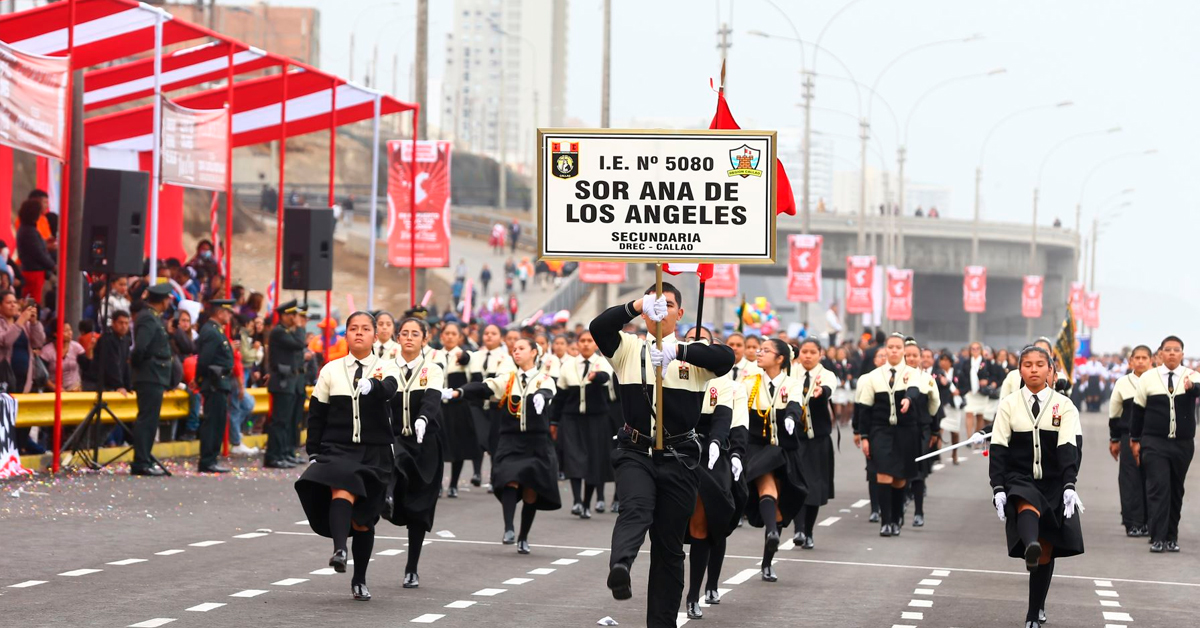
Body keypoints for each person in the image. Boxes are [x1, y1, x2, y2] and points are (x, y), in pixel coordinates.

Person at [589, 282, 734, 628]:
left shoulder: (693, 355)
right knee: (635, 507)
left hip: (679, 457)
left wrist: (679, 353)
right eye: (656, 304)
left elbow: (725, 358)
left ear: (680, 314)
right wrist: (636, 306)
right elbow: (599, 327)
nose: (661, 309)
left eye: (667, 304)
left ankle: (662, 622)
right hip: (636, 450)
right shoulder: (627, 348)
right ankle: (620, 566)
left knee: (669, 547)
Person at [295, 311, 399, 601]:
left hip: (374, 452)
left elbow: (390, 389)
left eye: (366, 329)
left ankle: (360, 579)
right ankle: (340, 550)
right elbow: (317, 413)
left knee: (364, 520)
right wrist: (313, 449)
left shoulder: (386, 366)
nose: (359, 333)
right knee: (341, 490)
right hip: (338, 448)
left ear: (375, 336)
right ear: (346, 335)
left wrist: (374, 386)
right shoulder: (330, 369)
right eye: (353, 328)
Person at [990, 344, 1084, 628]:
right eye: (1027, 364)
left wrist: (1069, 484)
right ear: (1020, 370)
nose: (1033, 369)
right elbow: (998, 448)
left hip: (1054, 481)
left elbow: (1069, 447)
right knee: (1025, 500)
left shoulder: (1064, 405)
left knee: (1046, 550)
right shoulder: (1008, 404)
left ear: (1050, 370)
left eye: (1039, 364)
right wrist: (997, 487)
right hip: (1019, 476)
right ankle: (1029, 544)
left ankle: (1035, 612)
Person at [447, 337, 561, 554]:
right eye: (514, 349)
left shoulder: (544, 378)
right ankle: (509, 528)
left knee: (531, 490)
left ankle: (523, 536)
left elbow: (548, 391)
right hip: (511, 439)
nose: (516, 352)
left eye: (521, 348)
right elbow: (483, 387)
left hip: (537, 441)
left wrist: (541, 397)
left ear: (534, 352)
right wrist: (458, 392)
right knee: (509, 478)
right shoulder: (508, 379)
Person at [683, 327, 746, 620]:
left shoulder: (724, 382)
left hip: (710, 453)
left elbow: (725, 418)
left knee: (709, 521)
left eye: (702, 341)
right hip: (677, 448)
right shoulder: (672, 370)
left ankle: (698, 591)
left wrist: (724, 447)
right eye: (690, 340)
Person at [382, 317, 445, 588]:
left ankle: (412, 567)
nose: (408, 337)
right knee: (396, 459)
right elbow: (379, 401)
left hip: (426, 443)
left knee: (420, 507)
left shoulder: (433, 369)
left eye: (414, 333)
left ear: (424, 339)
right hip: (396, 439)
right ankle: (386, 496)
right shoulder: (386, 368)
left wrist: (423, 419)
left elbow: (432, 400)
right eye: (404, 333)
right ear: (398, 338)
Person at [742, 338, 808, 581]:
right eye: (759, 350)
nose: (759, 353)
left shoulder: (792, 383)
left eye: (766, 351)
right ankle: (771, 535)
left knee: (780, 499)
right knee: (766, 484)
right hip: (756, 448)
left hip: (784, 448)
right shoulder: (749, 383)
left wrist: (791, 418)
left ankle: (768, 556)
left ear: (780, 359)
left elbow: (793, 404)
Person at [855, 333, 932, 536]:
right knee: (883, 474)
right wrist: (864, 436)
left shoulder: (912, 373)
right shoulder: (874, 376)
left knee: (899, 478)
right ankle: (886, 521)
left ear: (903, 351)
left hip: (906, 431)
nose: (895, 351)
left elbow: (914, 390)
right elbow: (865, 408)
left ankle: (897, 518)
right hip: (880, 430)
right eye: (891, 347)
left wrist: (908, 399)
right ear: (886, 349)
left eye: (898, 348)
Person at [1130, 335, 1198, 553]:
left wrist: (1193, 388)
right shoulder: (1148, 378)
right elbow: (1137, 412)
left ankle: (1171, 537)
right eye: (1167, 350)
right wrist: (1135, 440)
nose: (1171, 353)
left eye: (1176, 350)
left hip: (1182, 444)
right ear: (1159, 354)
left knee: (1176, 489)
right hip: (1154, 443)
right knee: (1159, 488)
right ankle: (1157, 537)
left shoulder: (1192, 376)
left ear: (1182, 354)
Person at [550, 330, 615, 519]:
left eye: (590, 341)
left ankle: (588, 502)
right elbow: (560, 397)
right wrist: (553, 421)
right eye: (582, 341)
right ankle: (577, 501)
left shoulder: (604, 363)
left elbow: (605, 378)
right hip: (571, 419)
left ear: (596, 344)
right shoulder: (568, 366)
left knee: (594, 461)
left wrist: (595, 377)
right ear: (577, 344)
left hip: (597, 420)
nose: (586, 344)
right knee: (574, 458)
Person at [792, 338, 838, 548]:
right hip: (795, 441)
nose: (808, 356)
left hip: (818, 440)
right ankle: (798, 529)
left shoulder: (826, 375)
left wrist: (821, 393)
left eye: (813, 352)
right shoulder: (791, 373)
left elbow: (828, 388)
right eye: (804, 351)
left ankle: (808, 531)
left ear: (820, 354)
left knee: (814, 486)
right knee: (796, 484)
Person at [129, 284, 174, 476]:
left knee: (150, 419)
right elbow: (140, 349)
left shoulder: (153, 317)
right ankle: (141, 461)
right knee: (147, 419)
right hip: (150, 375)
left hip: (154, 374)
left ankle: (145, 457)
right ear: (163, 300)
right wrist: (143, 367)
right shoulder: (148, 317)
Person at [1109, 345, 1152, 537]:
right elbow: (1115, 413)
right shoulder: (1122, 383)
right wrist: (1115, 439)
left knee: (1151, 480)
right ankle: (1132, 521)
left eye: (1145, 358)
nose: (1141, 361)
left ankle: (1150, 521)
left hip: (1152, 437)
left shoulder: (1157, 382)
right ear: (1130, 361)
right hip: (1127, 437)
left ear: (1151, 360)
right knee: (1130, 480)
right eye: (1138, 358)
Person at [438, 322, 483, 496]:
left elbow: (476, 379)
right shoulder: (434, 355)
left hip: (459, 406)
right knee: (439, 446)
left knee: (458, 445)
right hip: (439, 406)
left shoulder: (467, 356)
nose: (449, 336)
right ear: (441, 336)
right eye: (446, 333)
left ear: (459, 337)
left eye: (453, 334)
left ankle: (454, 485)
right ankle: (439, 484)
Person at [265, 300, 308, 469]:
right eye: (292, 315)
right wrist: (300, 327)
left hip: (290, 382)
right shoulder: (279, 332)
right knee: (279, 422)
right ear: (284, 316)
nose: (295, 318)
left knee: (287, 421)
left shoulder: (286, 332)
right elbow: (299, 344)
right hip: (282, 382)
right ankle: (273, 456)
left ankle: (282, 453)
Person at [903, 339, 941, 528]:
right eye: (907, 355)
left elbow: (934, 406)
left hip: (921, 430)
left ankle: (919, 511)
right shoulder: (893, 377)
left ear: (921, 358)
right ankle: (899, 507)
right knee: (900, 470)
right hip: (899, 430)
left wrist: (935, 430)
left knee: (918, 473)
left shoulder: (927, 379)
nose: (910, 358)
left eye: (914, 355)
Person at [195, 300, 236, 473]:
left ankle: (211, 458)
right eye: (228, 312)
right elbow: (205, 360)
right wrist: (200, 378)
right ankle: (207, 460)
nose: (230, 316)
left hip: (220, 382)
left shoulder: (216, 330)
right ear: (220, 313)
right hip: (214, 382)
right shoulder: (211, 331)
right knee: (213, 422)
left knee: (218, 422)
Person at [0, 291, 45, 393]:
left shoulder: (25, 324)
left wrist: (34, 323)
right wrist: (21, 320)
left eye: (15, 302)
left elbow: (39, 342)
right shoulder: (20, 321)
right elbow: (6, 341)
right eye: (8, 303)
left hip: (25, 378)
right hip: (4, 377)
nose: (13, 305)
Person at [15, 199, 55, 304]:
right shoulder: (29, 231)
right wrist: (53, 266)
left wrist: (44, 243)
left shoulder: (26, 229)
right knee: (33, 303)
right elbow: (38, 253)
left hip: (33, 271)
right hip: (34, 273)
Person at [92, 310, 132, 394]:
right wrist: (119, 385)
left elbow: (126, 364)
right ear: (113, 323)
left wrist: (128, 386)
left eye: (126, 323)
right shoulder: (107, 339)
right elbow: (111, 364)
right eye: (121, 323)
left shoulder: (125, 340)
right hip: (103, 385)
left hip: (116, 384)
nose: (124, 326)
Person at [40, 322, 85, 392]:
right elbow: (42, 375)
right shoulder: (47, 351)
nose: (70, 333)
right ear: (55, 334)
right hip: (53, 391)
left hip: (74, 389)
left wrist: (90, 351)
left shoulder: (77, 347)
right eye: (65, 331)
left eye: (70, 330)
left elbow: (87, 366)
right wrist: (55, 388)